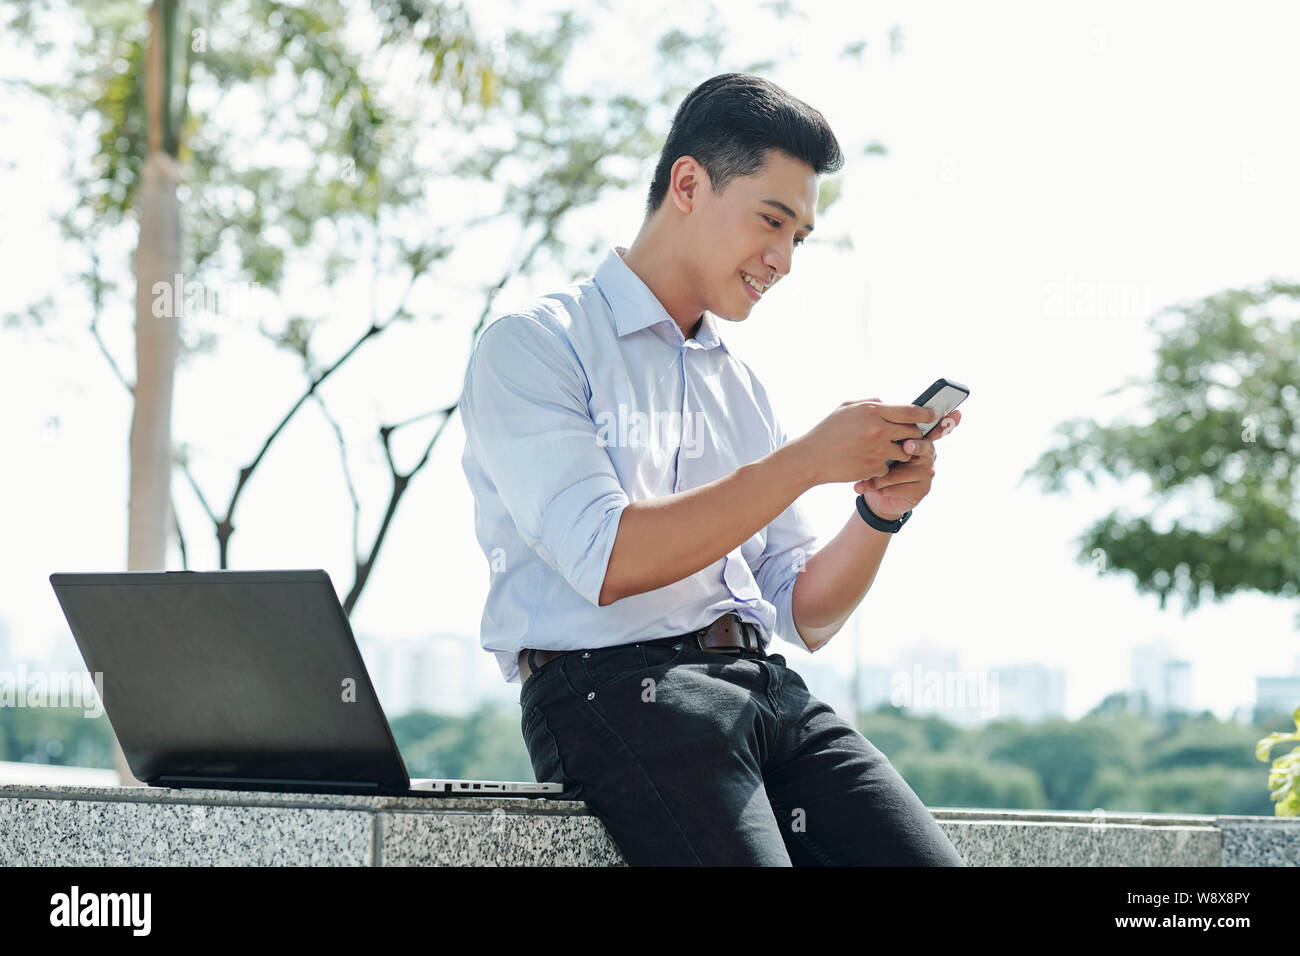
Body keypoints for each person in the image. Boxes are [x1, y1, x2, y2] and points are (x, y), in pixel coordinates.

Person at [458, 72, 966, 866]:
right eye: (773, 220)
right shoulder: (534, 345)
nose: (783, 260)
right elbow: (609, 557)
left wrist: (877, 515)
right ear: (688, 184)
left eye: (799, 237)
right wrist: (803, 462)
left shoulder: (741, 386)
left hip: (765, 690)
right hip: (618, 694)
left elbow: (804, 611)